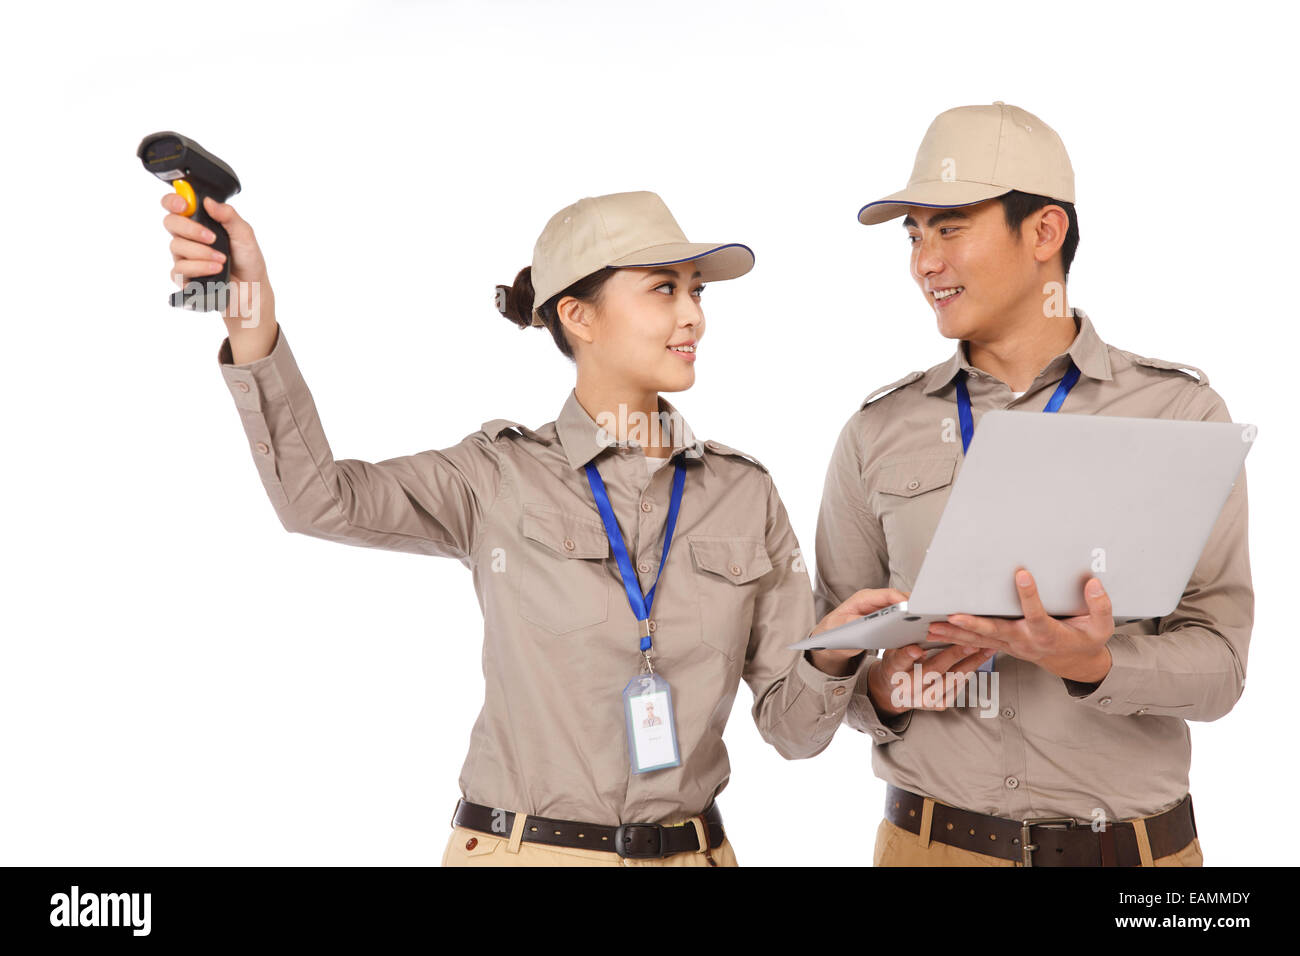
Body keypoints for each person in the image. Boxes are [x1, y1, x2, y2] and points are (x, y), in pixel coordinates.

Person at [158, 186, 899, 867]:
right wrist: (250, 318)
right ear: (578, 316)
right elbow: (318, 500)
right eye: (664, 289)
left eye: (697, 292)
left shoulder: (745, 492)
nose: (694, 315)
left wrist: (831, 659)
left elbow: (795, 735)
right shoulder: (494, 477)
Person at [813, 102, 1253, 867]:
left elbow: (1223, 670)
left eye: (949, 227)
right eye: (914, 235)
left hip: (1136, 861)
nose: (924, 262)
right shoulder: (877, 431)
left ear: (1045, 232)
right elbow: (821, 671)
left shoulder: (1178, 413)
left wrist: (1095, 665)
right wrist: (880, 691)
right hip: (931, 851)